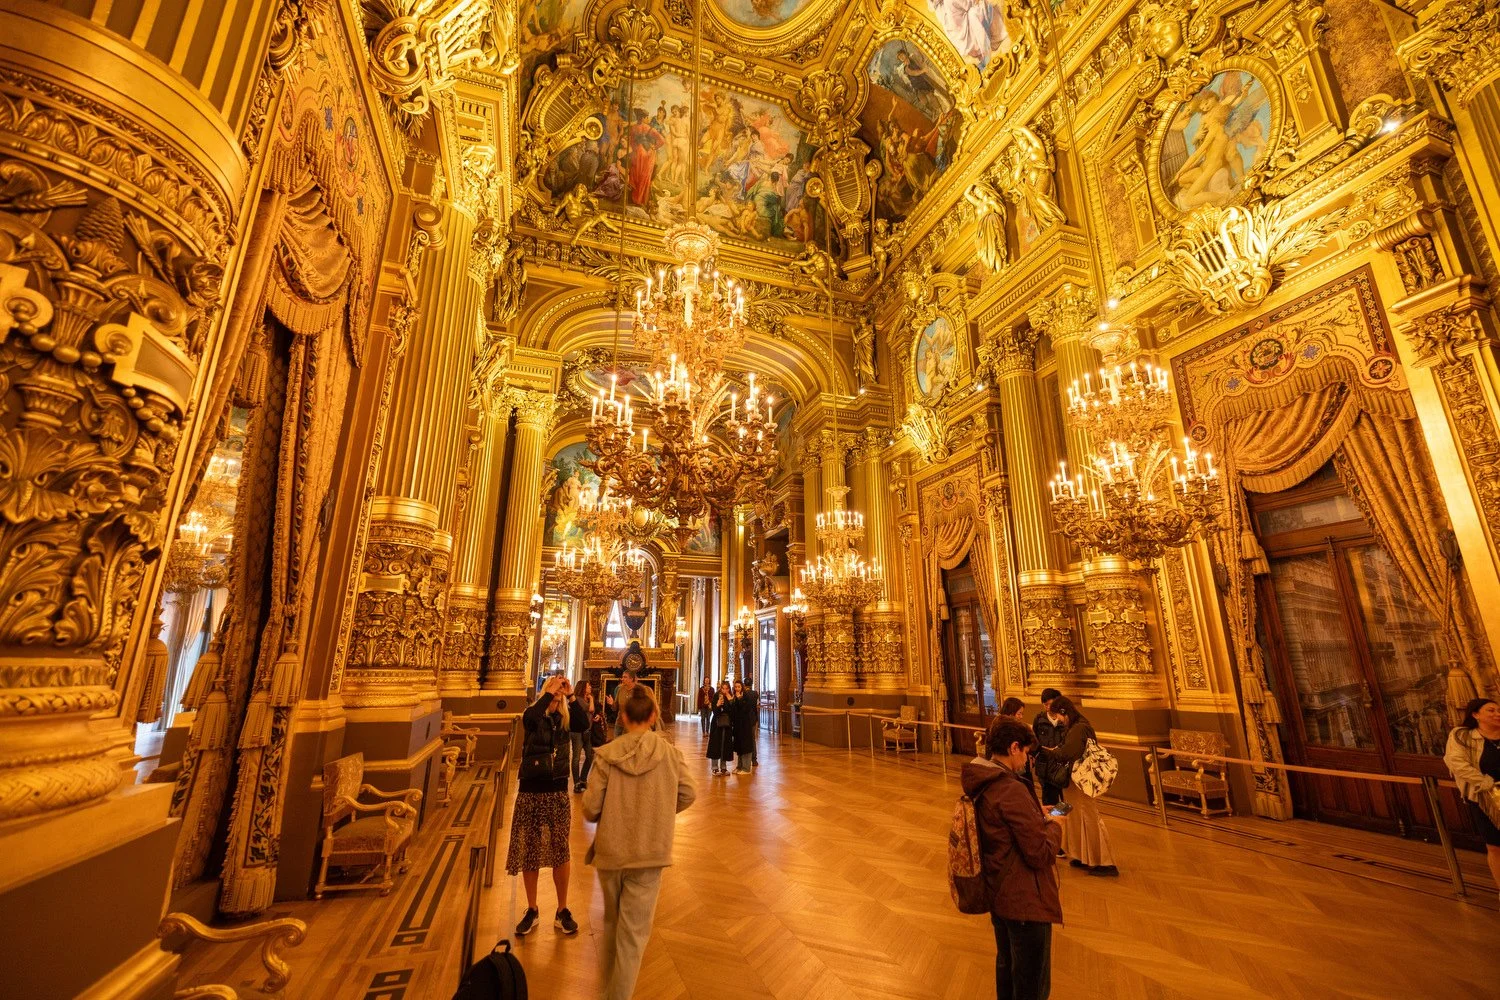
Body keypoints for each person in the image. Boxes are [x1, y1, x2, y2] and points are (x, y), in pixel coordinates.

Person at [583, 685, 697, 1000]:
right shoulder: (670, 755)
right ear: (655, 715)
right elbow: (689, 793)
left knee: (611, 924)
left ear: (621, 716)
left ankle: (609, 992)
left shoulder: (606, 756)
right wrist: (660, 811)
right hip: (650, 853)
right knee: (632, 936)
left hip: (611, 852)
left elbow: (590, 808)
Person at [962, 717, 1065, 1000]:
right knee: (1031, 983)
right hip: (1024, 898)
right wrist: (1056, 825)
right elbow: (1040, 853)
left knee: (1007, 969)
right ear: (1014, 747)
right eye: (1026, 753)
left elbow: (1005, 830)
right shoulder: (1009, 788)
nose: (1027, 760)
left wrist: (1033, 814)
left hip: (999, 890)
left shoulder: (983, 781)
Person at [507, 676, 579, 936]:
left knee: (561, 850)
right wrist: (548, 695)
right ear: (545, 691)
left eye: (560, 690)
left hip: (557, 791)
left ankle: (562, 909)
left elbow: (584, 724)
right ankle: (532, 908)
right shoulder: (533, 714)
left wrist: (571, 696)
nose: (558, 693)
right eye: (554, 689)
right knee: (531, 850)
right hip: (531, 791)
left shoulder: (566, 720)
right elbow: (530, 720)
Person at [1036, 696, 1118, 876]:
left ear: (1064, 712)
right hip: (1075, 780)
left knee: (1088, 817)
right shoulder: (1075, 726)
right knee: (1075, 817)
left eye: (1057, 716)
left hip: (1081, 780)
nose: (1058, 720)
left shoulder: (1079, 728)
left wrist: (1044, 751)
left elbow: (1066, 753)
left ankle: (1103, 861)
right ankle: (1083, 856)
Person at [1444, 697, 1500, 901]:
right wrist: (1484, 782)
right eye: (1491, 710)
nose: (1497, 714)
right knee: (1495, 845)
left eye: (1499, 710)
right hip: (1484, 796)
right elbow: (1456, 762)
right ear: (1475, 714)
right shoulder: (1462, 736)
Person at [1032, 689, 1066, 808]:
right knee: (1049, 803)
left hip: (1062, 768)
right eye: (1045, 704)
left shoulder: (1065, 720)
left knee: (1065, 801)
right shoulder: (1039, 719)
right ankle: (1053, 819)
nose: (1047, 707)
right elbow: (1034, 741)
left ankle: (1062, 818)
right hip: (1045, 768)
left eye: (1050, 704)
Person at [568, 680, 597, 793]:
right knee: (576, 757)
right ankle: (577, 783)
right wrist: (592, 699)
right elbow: (590, 709)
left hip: (587, 731)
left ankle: (583, 779)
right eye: (588, 686)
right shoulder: (578, 699)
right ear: (583, 687)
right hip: (577, 732)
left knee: (590, 756)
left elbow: (591, 713)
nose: (590, 687)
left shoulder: (586, 699)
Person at [707, 681, 736, 775]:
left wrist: (730, 701)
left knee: (725, 745)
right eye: (723, 688)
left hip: (727, 724)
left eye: (727, 688)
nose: (725, 690)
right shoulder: (716, 696)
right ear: (721, 689)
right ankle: (714, 767)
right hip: (717, 723)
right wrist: (718, 705)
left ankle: (723, 767)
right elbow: (715, 711)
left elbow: (732, 712)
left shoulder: (731, 697)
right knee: (715, 744)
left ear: (729, 689)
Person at [732, 679, 756, 774]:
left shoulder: (746, 697)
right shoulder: (734, 696)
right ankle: (739, 766)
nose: (737, 689)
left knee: (746, 746)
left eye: (739, 687)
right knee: (739, 745)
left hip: (745, 724)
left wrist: (740, 699)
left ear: (742, 687)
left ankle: (746, 768)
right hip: (738, 725)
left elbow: (746, 709)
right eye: (735, 687)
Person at [607, 669, 640, 738]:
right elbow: (615, 708)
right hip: (619, 723)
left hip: (632, 725)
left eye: (625, 677)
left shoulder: (638, 691)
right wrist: (612, 703)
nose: (622, 679)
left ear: (631, 679)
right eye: (622, 677)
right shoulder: (620, 689)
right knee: (617, 743)